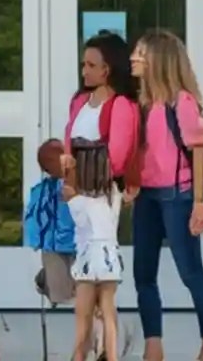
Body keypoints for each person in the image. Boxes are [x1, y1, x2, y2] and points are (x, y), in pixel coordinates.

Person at [128, 30, 203, 361]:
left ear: (159, 59)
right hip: (148, 198)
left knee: (190, 272)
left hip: (178, 196)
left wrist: (200, 201)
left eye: (140, 52)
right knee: (143, 274)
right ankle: (153, 345)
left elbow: (198, 153)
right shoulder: (141, 104)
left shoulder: (181, 102)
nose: (133, 58)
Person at [62, 141, 123, 361]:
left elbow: (77, 220)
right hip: (109, 258)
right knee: (108, 312)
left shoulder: (76, 199)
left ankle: (79, 357)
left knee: (83, 318)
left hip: (88, 259)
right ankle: (112, 356)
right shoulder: (113, 194)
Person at [62, 33, 140, 181]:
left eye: (91, 65)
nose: (84, 72)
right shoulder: (79, 101)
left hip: (105, 192)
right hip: (75, 190)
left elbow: (117, 161)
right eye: (83, 65)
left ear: (107, 69)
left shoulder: (121, 105)